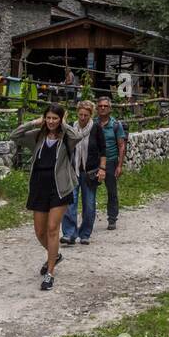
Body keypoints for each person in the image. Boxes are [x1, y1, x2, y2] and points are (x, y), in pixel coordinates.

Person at [18, 103, 77, 291]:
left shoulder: (66, 137)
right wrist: (33, 123)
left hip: (59, 188)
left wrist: (65, 124)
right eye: (48, 118)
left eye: (55, 118)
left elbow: (78, 136)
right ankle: (55, 255)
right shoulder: (38, 137)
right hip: (39, 187)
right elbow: (15, 135)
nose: (51, 122)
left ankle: (50, 273)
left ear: (60, 120)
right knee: (39, 232)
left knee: (53, 229)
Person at [62, 100, 107, 245]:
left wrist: (102, 169)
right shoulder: (71, 128)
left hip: (90, 172)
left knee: (89, 204)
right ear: (77, 113)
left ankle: (85, 233)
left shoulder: (96, 128)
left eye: (86, 115)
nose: (82, 118)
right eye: (80, 114)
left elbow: (103, 150)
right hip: (72, 170)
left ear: (91, 115)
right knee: (70, 203)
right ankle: (69, 233)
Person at [95, 96, 127, 231]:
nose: (102, 108)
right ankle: (89, 218)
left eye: (105, 106)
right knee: (90, 191)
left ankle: (112, 218)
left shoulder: (115, 125)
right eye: (100, 106)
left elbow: (121, 146)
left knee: (112, 191)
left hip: (111, 161)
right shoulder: (93, 124)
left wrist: (119, 165)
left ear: (110, 109)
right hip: (95, 162)